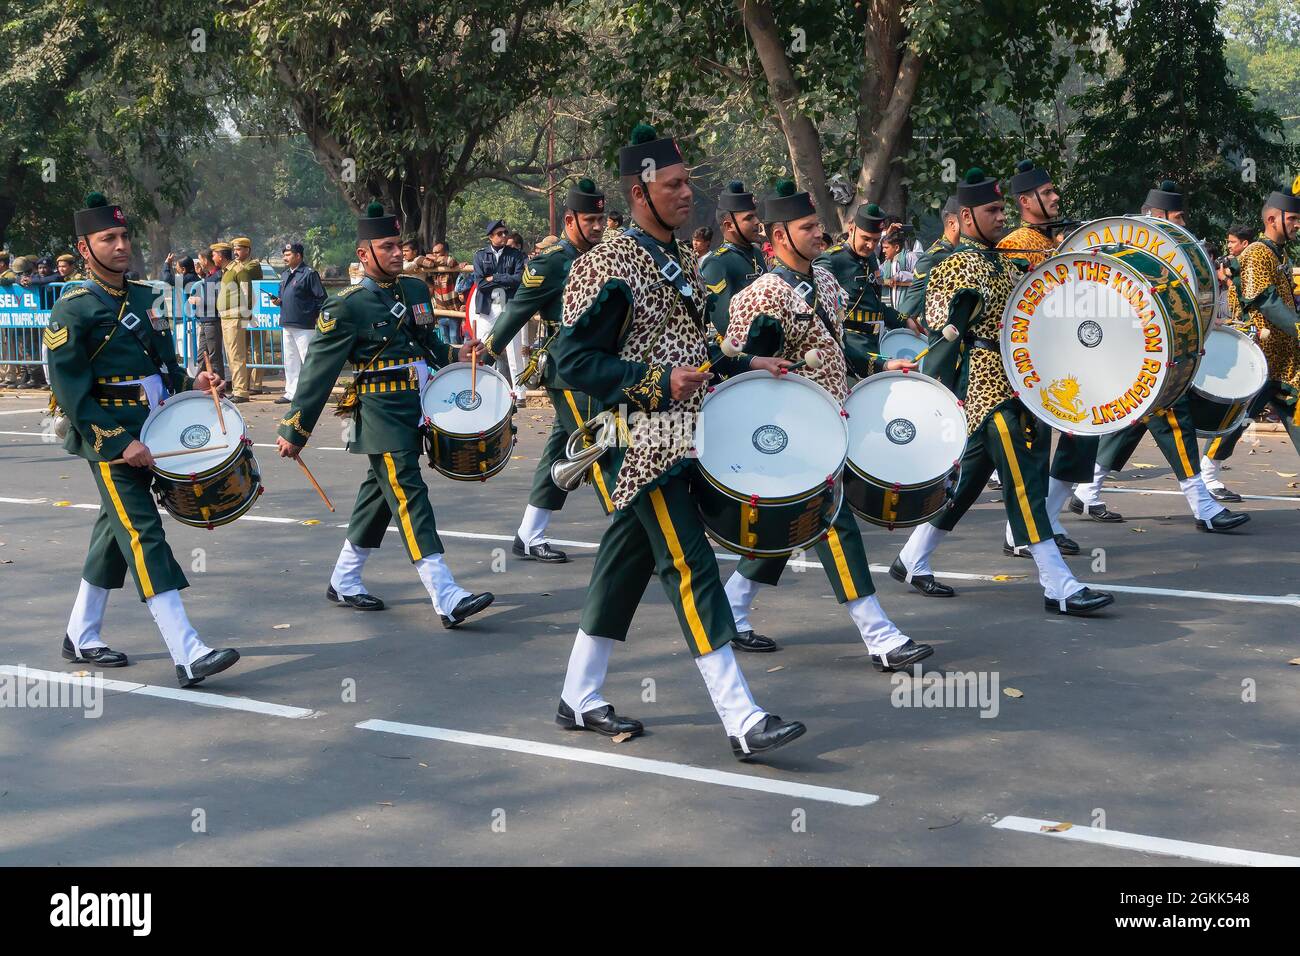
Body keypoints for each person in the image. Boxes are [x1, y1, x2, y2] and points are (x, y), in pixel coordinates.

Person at [550, 124, 804, 760]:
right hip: (641, 440)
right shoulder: (605, 265)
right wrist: (653, 381)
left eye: (687, 181)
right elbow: (571, 362)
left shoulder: (679, 257)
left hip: (683, 431)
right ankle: (741, 716)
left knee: (623, 565)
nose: (689, 193)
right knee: (691, 566)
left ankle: (577, 695)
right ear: (640, 192)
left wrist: (743, 366)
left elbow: (686, 350)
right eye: (675, 185)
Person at [720, 179, 934, 670]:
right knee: (835, 523)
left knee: (787, 529)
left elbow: (842, 347)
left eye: (818, 224)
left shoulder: (827, 282)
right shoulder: (760, 295)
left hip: (831, 423)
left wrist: (880, 364)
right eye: (808, 226)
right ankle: (880, 635)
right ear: (778, 236)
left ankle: (730, 609)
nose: (820, 233)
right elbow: (738, 365)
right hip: (792, 435)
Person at [892, 167, 1115, 616]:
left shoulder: (1001, 260)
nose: (1000, 217)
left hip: (1017, 379)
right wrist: (935, 392)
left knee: (971, 480)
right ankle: (1059, 585)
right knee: (1024, 477)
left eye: (1000, 208)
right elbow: (943, 331)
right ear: (967, 217)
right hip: (985, 385)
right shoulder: (960, 263)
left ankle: (911, 558)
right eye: (991, 210)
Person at [45, 191, 239, 687]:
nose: (120, 245)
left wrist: (192, 385)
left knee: (113, 534)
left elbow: (163, 365)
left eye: (124, 235)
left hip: (153, 428)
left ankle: (81, 635)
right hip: (108, 437)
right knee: (142, 532)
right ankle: (187, 650)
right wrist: (116, 442)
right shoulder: (73, 308)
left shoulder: (145, 296)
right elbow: (70, 393)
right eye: (107, 238)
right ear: (84, 247)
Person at [275, 202, 494, 629]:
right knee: (409, 493)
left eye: (399, 245)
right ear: (364, 254)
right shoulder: (346, 307)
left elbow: (427, 344)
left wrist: (457, 353)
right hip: (377, 411)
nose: (398, 253)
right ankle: (445, 594)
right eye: (388, 246)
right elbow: (318, 373)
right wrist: (294, 430)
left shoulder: (414, 291)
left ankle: (344, 578)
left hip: (416, 406)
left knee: (379, 496)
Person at [1071, 182, 1251, 531]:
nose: (1183, 223)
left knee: (1133, 423)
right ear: (1156, 215)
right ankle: (1204, 508)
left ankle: (1085, 491)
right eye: (1178, 216)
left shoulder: (1168, 254)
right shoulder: (1124, 251)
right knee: (1173, 421)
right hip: (1134, 357)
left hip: (1150, 357)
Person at [480, 178, 613, 563]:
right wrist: (487, 354)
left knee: (559, 450)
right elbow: (517, 310)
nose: (598, 226)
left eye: (601, 219)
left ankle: (529, 534)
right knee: (600, 450)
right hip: (569, 371)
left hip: (597, 366)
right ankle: (639, 540)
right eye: (590, 220)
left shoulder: (604, 256)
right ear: (570, 219)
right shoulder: (552, 262)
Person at [993, 159, 1093, 557]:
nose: (1055, 197)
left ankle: (1044, 521)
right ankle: (1023, 532)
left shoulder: (1056, 242)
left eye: (1053, 191)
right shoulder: (1013, 244)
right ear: (1025, 200)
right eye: (1047, 192)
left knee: (1082, 436)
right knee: (1031, 452)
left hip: (1064, 360)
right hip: (1031, 365)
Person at [1199, 179, 1300, 485]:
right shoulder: (1257, 252)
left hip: (1285, 360)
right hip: (1262, 357)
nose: (1298, 225)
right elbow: (1265, 300)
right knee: (1235, 420)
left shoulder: (1279, 254)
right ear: (1273, 219)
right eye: (1294, 219)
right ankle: (1207, 474)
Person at [815, 202, 903, 371]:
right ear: (851, 229)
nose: (871, 245)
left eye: (876, 240)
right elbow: (823, 316)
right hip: (849, 349)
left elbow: (874, 305)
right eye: (866, 239)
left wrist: (904, 320)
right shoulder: (831, 260)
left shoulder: (870, 258)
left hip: (876, 343)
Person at [699, 180, 768, 335]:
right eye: (749, 218)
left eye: (756, 216)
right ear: (729, 225)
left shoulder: (756, 252)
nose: (757, 222)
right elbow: (725, 323)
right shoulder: (717, 262)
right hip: (747, 353)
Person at [470, 219, 527, 386]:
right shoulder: (480, 255)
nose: (503, 236)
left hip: (508, 301)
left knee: (513, 348)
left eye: (505, 233)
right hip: (488, 302)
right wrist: (504, 280)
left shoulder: (515, 254)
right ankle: (483, 384)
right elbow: (480, 283)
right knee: (483, 343)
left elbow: (518, 279)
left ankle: (519, 391)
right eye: (499, 234)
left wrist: (495, 277)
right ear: (490, 237)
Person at [271, 241, 327, 405]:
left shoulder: (309, 274)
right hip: (287, 322)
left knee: (308, 359)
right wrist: (279, 301)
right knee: (290, 360)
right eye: (284, 254)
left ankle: (314, 394)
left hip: (304, 324)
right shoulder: (285, 274)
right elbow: (285, 296)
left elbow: (321, 298)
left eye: (288, 254)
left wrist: (317, 316)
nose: (285, 257)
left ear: (298, 256)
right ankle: (291, 392)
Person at [218, 237, 264, 402]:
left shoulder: (252, 265)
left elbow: (245, 278)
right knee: (239, 351)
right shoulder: (234, 268)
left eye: (239, 249)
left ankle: (256, 384)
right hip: (242, 312)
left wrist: (233, 267)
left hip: (255, 311)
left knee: (256, 348)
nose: (236, 253)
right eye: (234, 249)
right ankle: (242, 385)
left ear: (248, 250)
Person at [190, 242, 229, 384]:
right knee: (202, 355)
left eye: (200, 259)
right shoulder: (209, 276)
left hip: (213, 320)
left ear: (205, 260)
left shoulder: (218, 276)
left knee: (214, 355)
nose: (199, 263)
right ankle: (199, 382)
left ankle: (220, 382)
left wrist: (198, 300)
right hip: (205, 320)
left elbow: (216, 301)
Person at [426, 241, 465, 345]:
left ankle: (457, 360)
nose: (435, 255)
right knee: (445, 340)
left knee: (454, 339)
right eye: (433, 253)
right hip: (440, 313)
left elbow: (451, 261)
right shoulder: (433, 270)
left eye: (438, 253)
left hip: (454, 313)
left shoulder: (452, 270)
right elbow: (421, 261)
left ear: (446, 253)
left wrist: (434, 259)